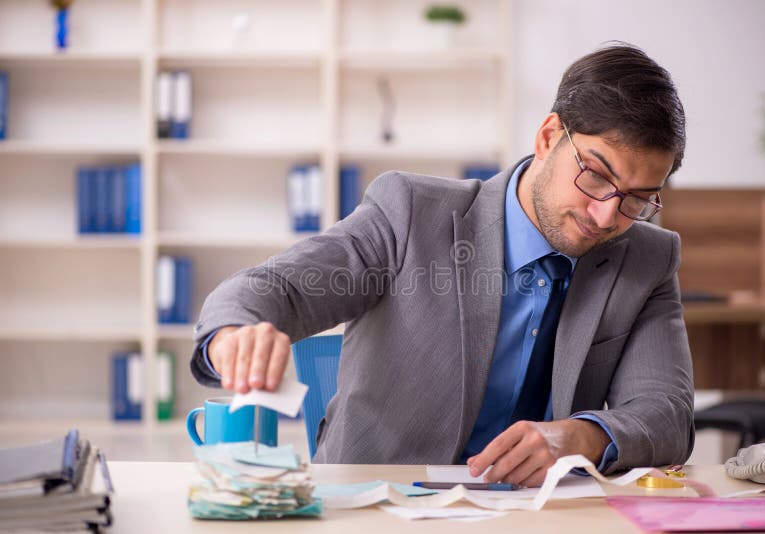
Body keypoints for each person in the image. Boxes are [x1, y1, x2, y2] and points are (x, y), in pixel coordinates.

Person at [191, 42, 694, 487]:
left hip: (538, 517)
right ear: (548, 137)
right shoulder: (411, 213)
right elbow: (280, 286)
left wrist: (583, 436)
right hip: (380, 509)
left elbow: (667, 414)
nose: (607, 214)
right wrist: (234, 333)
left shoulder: (645, 258)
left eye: (637, 199)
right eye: (596, 176)